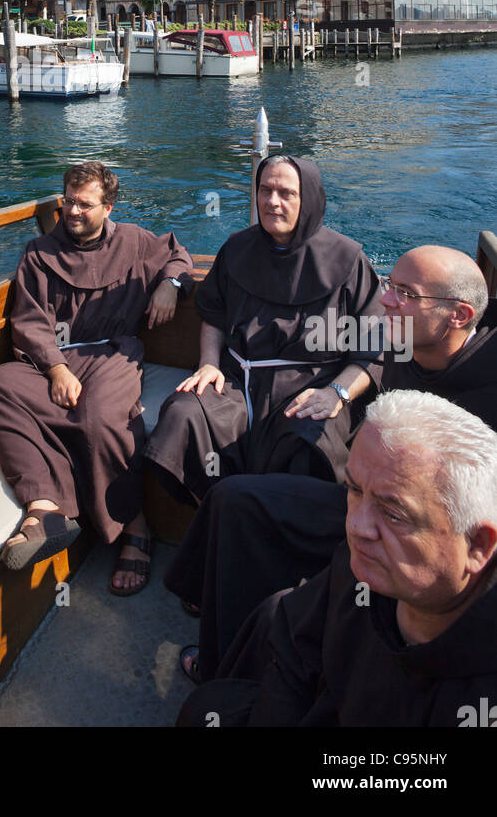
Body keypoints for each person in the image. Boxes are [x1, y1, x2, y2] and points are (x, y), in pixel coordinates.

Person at [171, 245, 495, 683]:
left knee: (277, 614)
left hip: (425, 544)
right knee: (235, 497)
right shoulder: (405, 343)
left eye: (405, 293)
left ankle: (240, 675)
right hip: (363, 505)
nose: (385, 300)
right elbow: (363, 367)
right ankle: (217, 647)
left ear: (458, 315)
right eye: (389, 286)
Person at [179, 389, 497, 727]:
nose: (357, 527)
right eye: (355, 490)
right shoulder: (364, 569)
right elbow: (297, 644)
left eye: (394, 514)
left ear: (477, 545)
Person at [0, 162, 193, 595]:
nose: (74, 211)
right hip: (56, 359)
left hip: (113, 353)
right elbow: (30, 320)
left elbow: (178, 254)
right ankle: (46, 505)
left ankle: (134, 522)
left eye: (85, 204)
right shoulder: (39, 253)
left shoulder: (134, 242)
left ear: (108, 207)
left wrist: (171, 283)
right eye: (69, 202)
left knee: (97, 417)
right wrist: (55, 367)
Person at [145, 155, 384, 503]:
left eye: (286, 193)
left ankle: (286, 541)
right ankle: (218, 512)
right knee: (185, 413)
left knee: (308, 442)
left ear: (309, 199)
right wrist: (208, 363)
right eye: (265, 190)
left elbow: (374, 347)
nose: (273, 202)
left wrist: (337, 393)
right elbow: (214, 314)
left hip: (311, 389)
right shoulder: (237, 248)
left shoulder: (348, 261)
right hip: (237, 383)